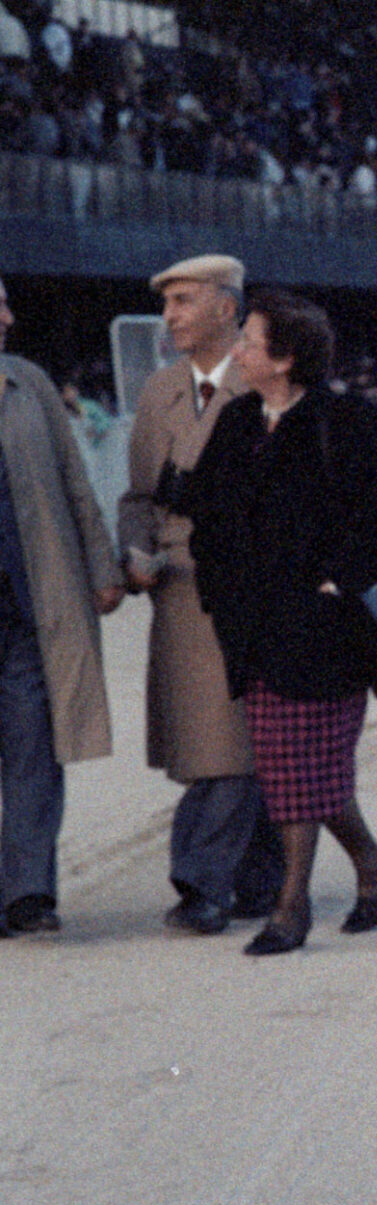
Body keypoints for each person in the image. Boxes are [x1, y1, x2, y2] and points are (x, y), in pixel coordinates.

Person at [171, 287, 377, 957]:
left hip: (330, 636)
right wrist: (218, 584)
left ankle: (291, 906)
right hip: (253, 632)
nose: (240, 351)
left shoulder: (352, 424)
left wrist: (335, 587)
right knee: (300, 771)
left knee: (298, 771)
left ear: (283, 358)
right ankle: (374, 868)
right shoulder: (239, 422)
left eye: (249, 341)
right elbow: (208, 513)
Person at [118, 253, 285, 936]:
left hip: (251, 586)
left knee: (231, 740)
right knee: (217, 740)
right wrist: (132, 552)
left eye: (184, 301)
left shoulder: (269, 386)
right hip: (178, 588)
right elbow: (136, 496)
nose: (170, 316)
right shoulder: (159, 392)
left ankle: (203, 880)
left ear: (226, 306)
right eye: (167, 303)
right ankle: (258, 878)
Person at [0, 276, 124, 937]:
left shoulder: (31, 385)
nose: (9, 316)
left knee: (31, 748)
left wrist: (102, 566)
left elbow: (76, 483)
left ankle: (26, 894)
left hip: (31, 598)